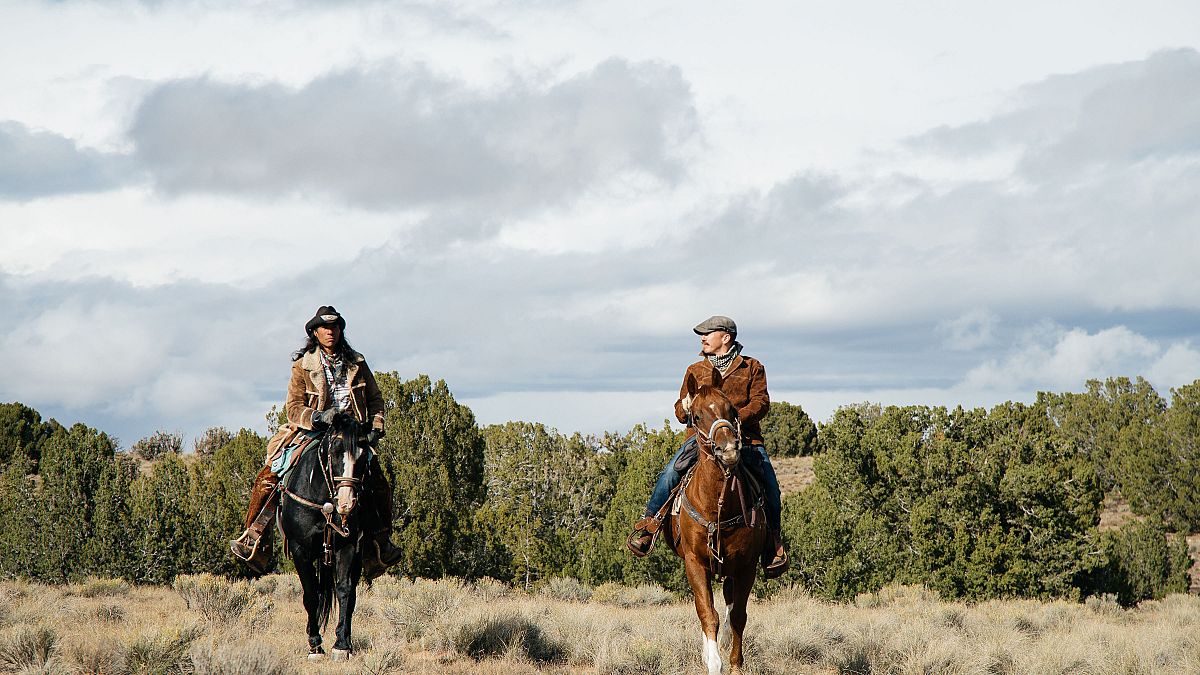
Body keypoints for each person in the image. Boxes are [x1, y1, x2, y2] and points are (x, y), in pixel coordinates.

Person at [229, 306, 403, 579]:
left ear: (340, 331)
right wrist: (318, 417)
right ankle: (255, 538)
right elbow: (293, 408)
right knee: (271, 473)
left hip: (352, 434)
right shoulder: (302, 366)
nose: (330, 332)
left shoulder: (357, 363)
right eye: (324, 328)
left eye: (334, 327)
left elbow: (375, 400)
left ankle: (379, 544)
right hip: (312, 432)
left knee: (378, 482)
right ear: (315, 332)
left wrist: (376, 428)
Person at [626, 315, 789, 578]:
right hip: (700, 440)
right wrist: (686, 406)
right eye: (702, 334)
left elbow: (761, 403)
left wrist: (732, 420)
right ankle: (649, 526)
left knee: (770, 485)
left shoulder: (752, 368)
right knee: (669, 474)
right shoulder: (695, 370)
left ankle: (772, 542)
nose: (702, 338)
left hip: (744, 440)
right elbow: (680, 411)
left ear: (726, 337)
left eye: (707, 333)